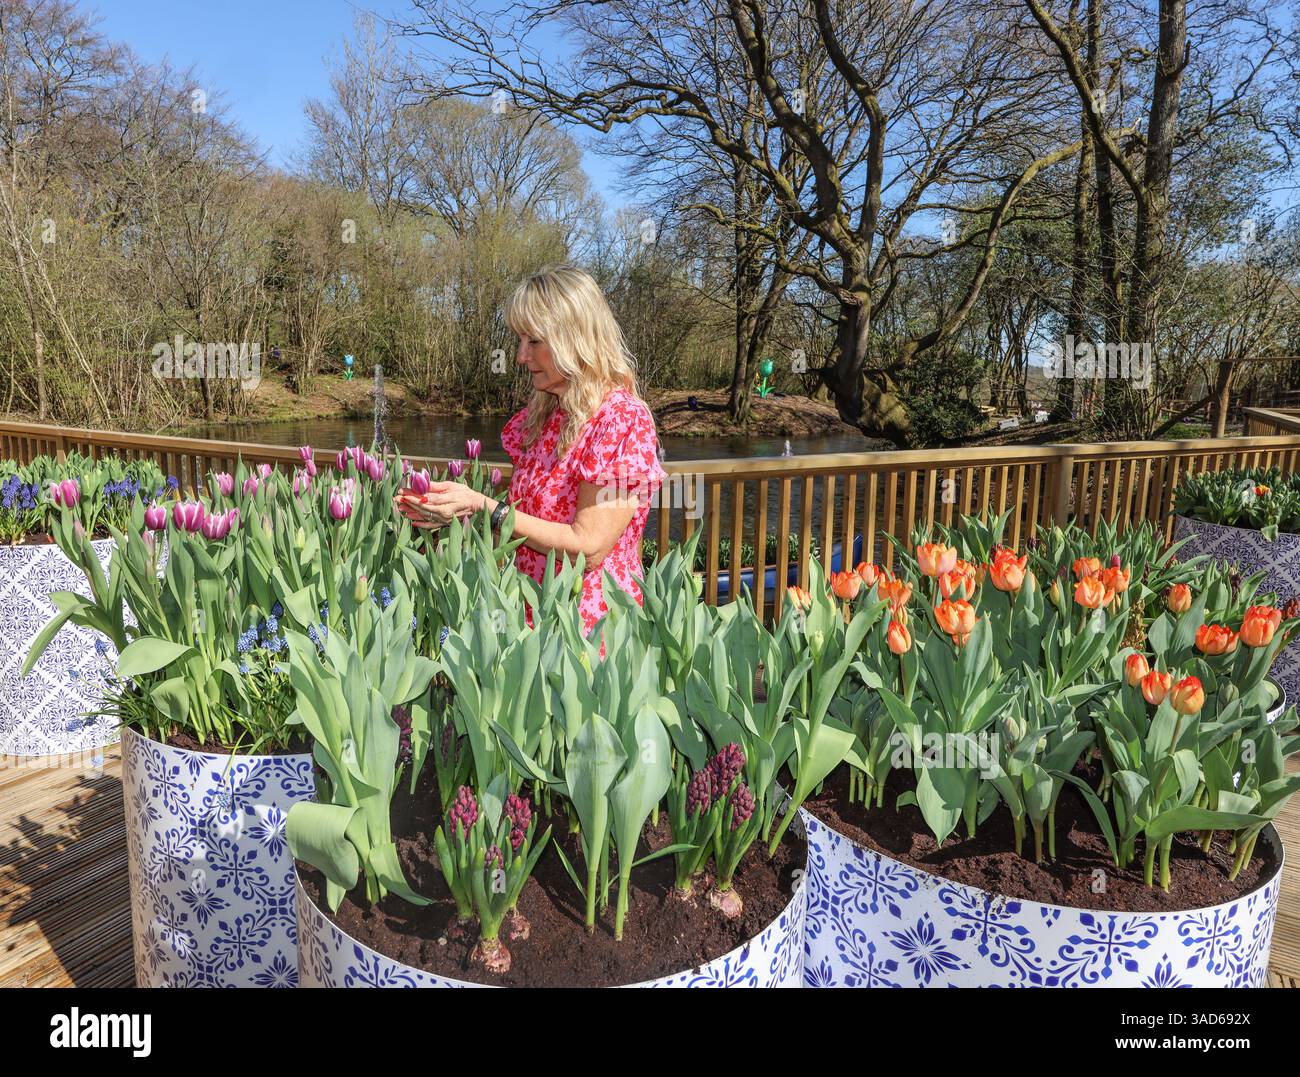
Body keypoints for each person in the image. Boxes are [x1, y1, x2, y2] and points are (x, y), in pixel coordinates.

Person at [396, 264, 666, 638]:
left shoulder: (621, 421)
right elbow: (525, 525)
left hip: (589, 633)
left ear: (575, 339)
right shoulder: (545, 417)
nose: (521, 356)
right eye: (519, 341)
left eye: (534, 341)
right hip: (526, 620)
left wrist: (483, 505)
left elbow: (589, 549)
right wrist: (454, 516)